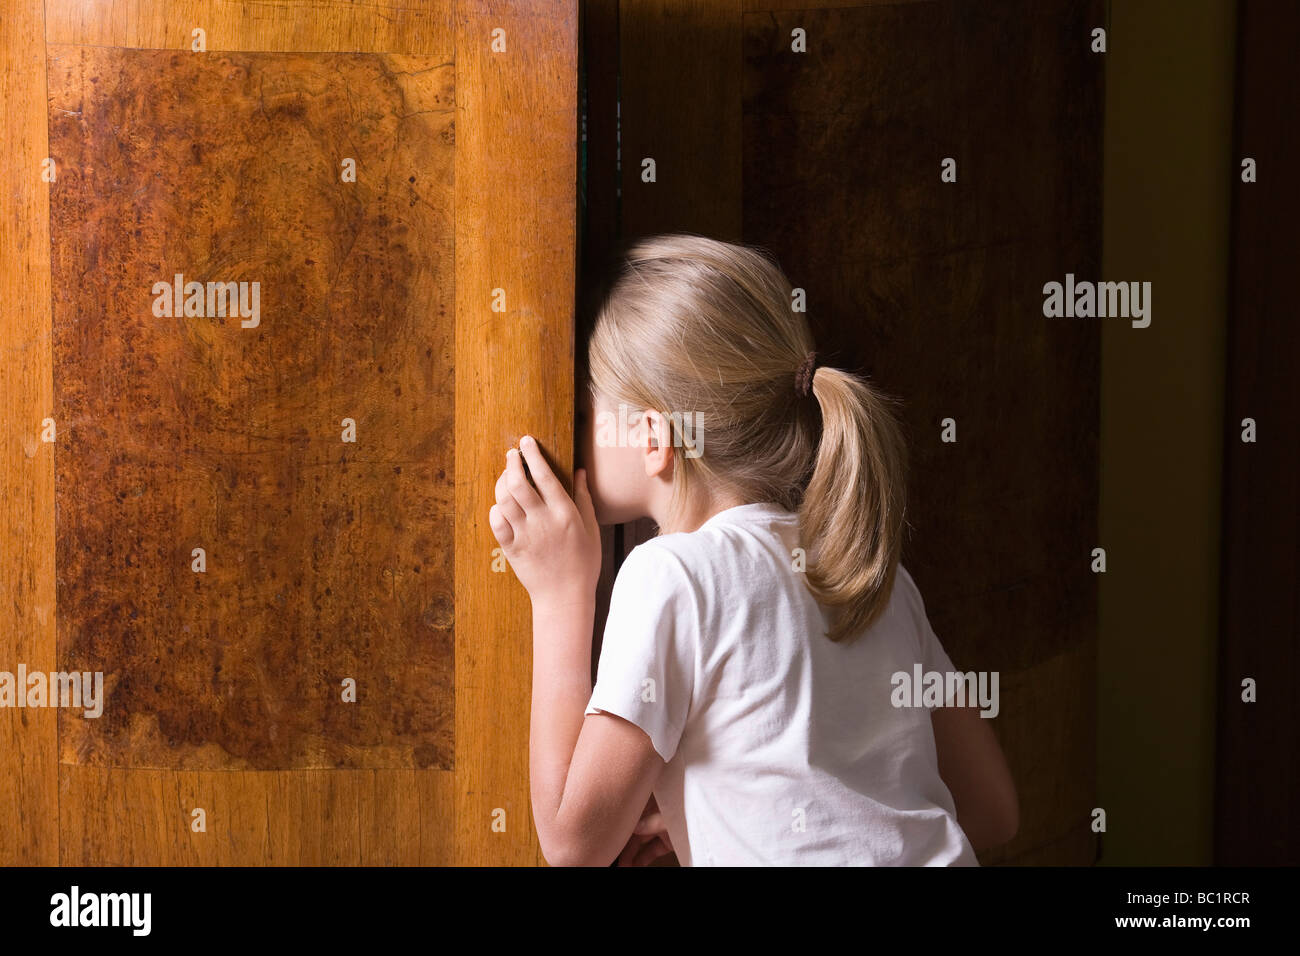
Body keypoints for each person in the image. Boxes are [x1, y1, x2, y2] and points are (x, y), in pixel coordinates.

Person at [489, 233, 1018, 866]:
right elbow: (993, 812)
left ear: (653, 436)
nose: (569, 433)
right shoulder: (872, 573)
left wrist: (560, 593)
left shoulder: (671, 577)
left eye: (585, 410)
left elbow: (573, 846)